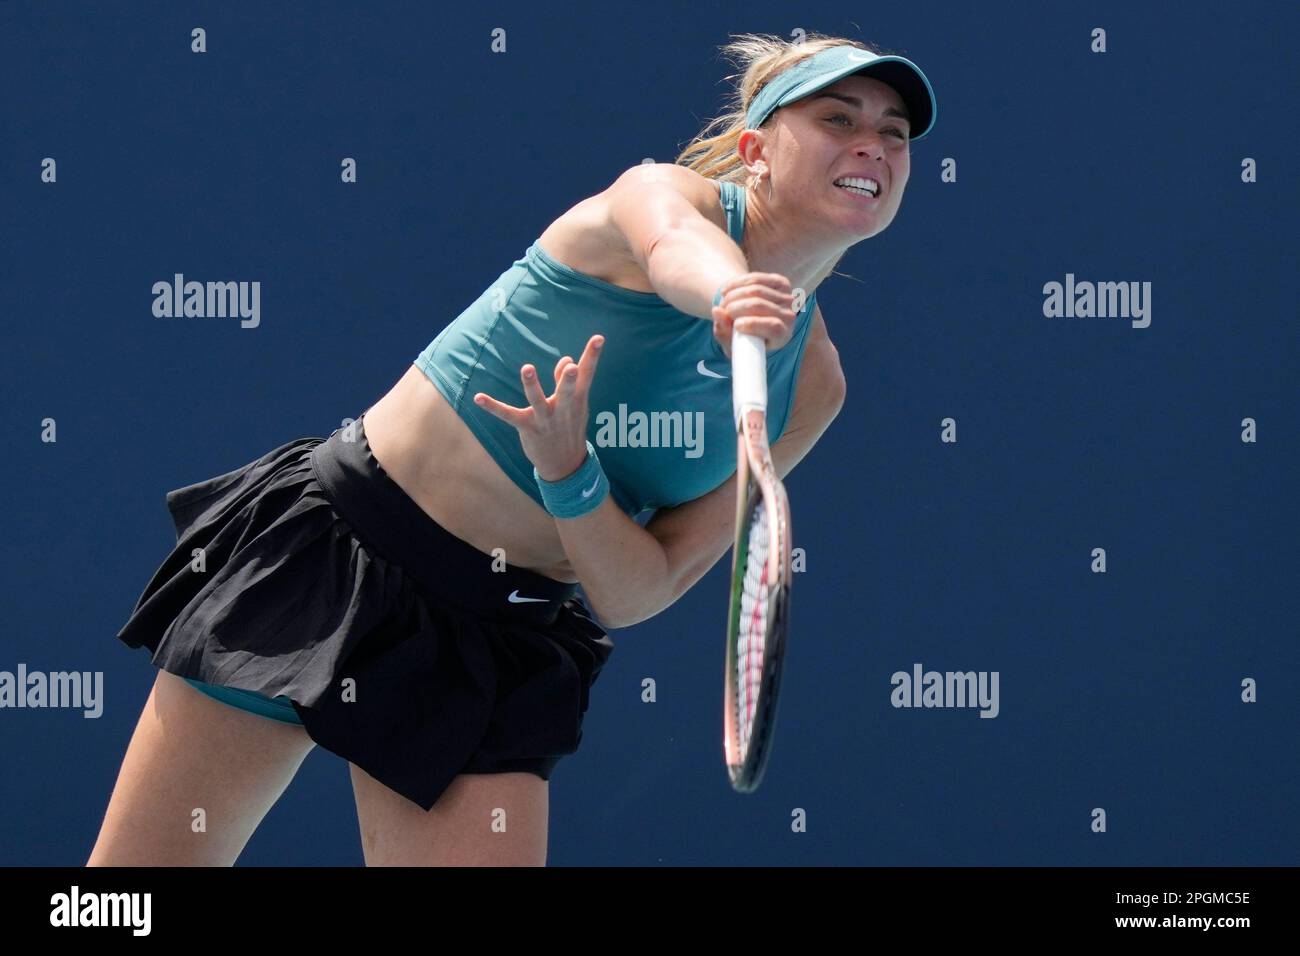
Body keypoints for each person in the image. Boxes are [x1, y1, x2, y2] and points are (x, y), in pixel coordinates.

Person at [88, 32, 936, 867]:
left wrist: (570, 475)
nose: (873, 145)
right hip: (337, 555)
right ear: (754, 148)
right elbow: (681, 249)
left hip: (494, 640)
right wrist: (730, 298)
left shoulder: (814, 387)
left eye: (894, 133)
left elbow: (640, 588)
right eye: (838, 118)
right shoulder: (657, 196)